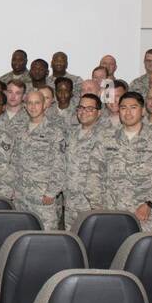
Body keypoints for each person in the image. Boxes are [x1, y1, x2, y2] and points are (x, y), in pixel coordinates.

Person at [96, 92, 152, 230]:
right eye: (123, 108)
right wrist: (98, 207)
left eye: (133, 107)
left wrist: (149, 203)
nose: (128, 113)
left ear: (143, 111)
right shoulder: (107, 138)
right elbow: (94, 173)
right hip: (111, 213)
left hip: (146, 216)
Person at [13, 89, 65, 229]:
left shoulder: (54, 132)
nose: (33, 107)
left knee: (46, 238)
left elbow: (60, 164)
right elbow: (14, 161)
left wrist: (51, 192)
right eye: (29, 103)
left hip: (42, 197)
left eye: (37, 103)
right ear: (25, 106)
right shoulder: (20, 130)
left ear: (45, 105)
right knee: (22, 235)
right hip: (21, 196)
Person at [61, 93, 105, 230]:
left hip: (92, 203)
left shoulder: (106, 136)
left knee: (91, 242)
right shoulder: (70, 134)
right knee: (71, 241)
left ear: (99, 113)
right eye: (81, 107)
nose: (83, 112)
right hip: (70, 201)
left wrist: (98, 204)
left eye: (89, 109)